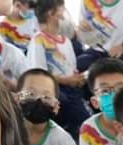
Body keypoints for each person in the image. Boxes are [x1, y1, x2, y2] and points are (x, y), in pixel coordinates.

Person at [26, 0, 89, 134]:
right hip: (55, 91)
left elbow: (72, 68)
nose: (65, 14)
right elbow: (38, 74)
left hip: (72, 90)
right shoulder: (39, 40)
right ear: (51, 14)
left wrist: (78, 79)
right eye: (62, 10)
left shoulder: (66, 41)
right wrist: (66, 81)